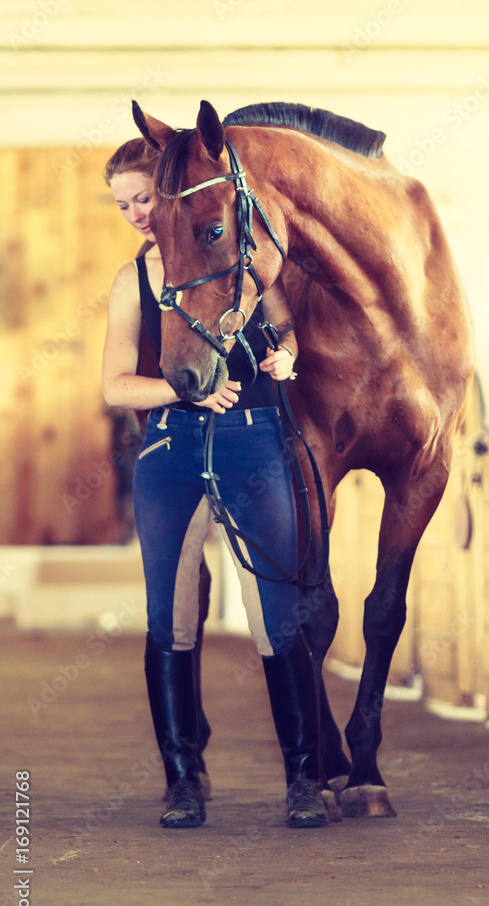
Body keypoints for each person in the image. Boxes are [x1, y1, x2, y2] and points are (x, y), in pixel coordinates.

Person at [102, 138, 328, 830]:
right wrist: (187, 393)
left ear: (172, 196)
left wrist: (286, 358)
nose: (138, 213)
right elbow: (114, 386)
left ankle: (305, 780)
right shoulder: (133, 280)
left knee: (273, 616)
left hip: (253, 446)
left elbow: (286, 333)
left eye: (145, 198)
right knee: (168, 619)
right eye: (124, 204)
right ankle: (182, 777)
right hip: (170, 453)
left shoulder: (250, 260)